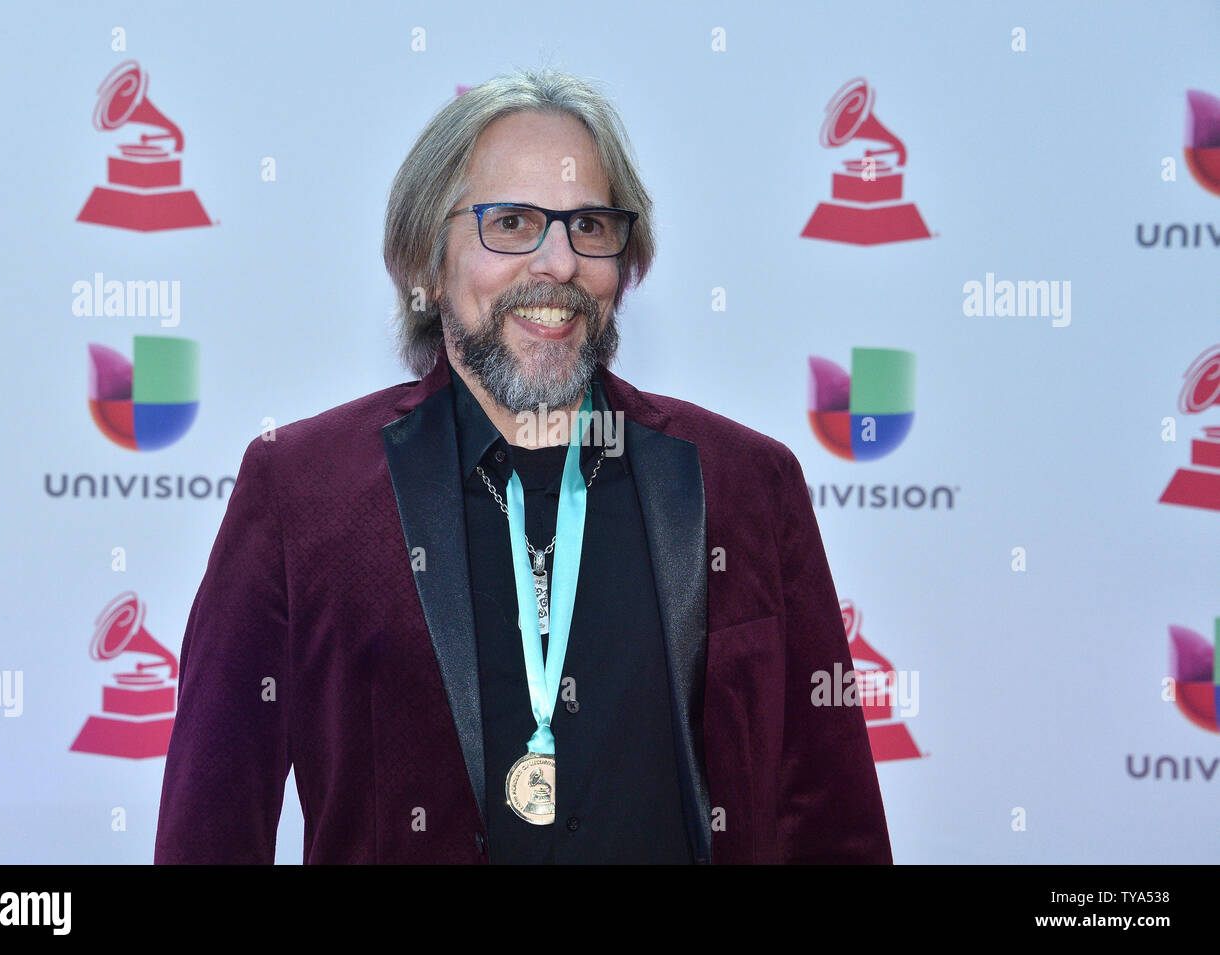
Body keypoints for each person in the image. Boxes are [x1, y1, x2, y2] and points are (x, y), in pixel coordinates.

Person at [153, 67, 892, 865]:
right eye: (511, 222)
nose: (557, 263)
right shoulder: (301, 490)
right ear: (427, 265)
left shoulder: (748, 483)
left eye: (589, 227)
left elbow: (829, 815)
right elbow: (212, 828)